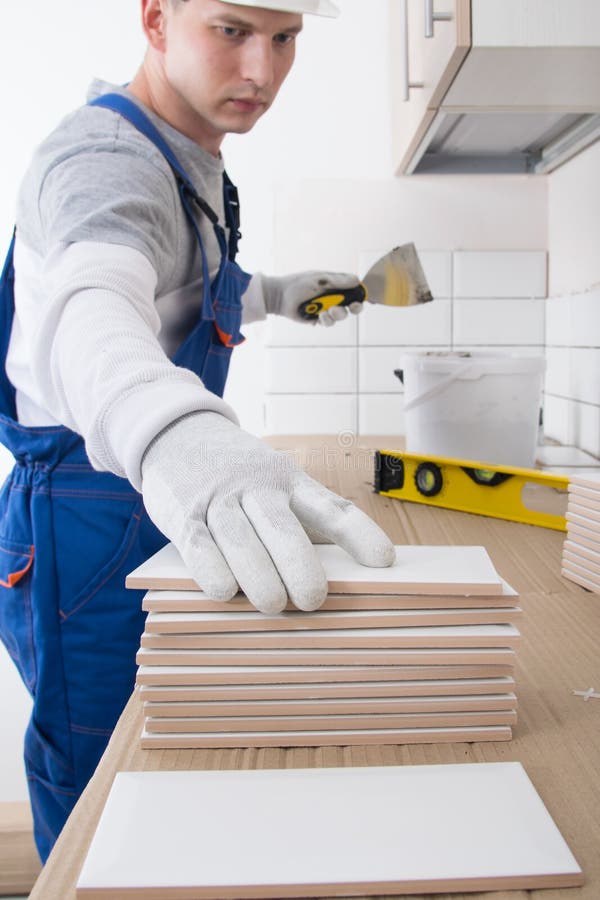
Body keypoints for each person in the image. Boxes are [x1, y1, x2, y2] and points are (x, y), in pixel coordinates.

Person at [0, 0, 394, 861]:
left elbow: (171, 285)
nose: (263, 70)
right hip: (86, 516)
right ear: (155, 20)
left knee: (173, 750)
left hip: (154, 496)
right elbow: (92, 308)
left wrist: (274, 292)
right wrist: (174, 432)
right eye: (232, 30)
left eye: (285, 37)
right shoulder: (104, 158)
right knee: (107, 764)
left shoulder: (189, 157)